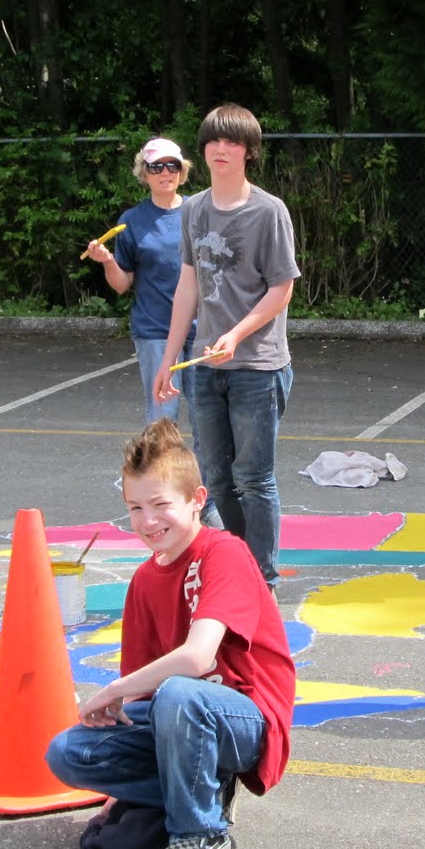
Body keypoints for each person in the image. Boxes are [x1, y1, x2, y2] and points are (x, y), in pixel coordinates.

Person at [45, 420, 296, 849]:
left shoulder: (224, 553)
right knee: (67, 752)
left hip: (244, 719)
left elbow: (199, 658)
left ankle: (200, 831)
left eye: (161, 505)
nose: (147, 521)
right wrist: (117, 776)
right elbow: (140, 696)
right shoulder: (144, 580)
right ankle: (193, 789)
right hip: (176, 715)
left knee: (180, 691)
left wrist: (114, 688)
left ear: (198, 500)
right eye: (135, 508)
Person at [152, 103, 300, 589]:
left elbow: (282, 289)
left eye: (232, 142)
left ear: (249, 152)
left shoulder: (268, 211)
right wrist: (171, 359)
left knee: (254, 478)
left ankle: (263, 580)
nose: (221, 148)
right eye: (213, 140)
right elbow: (188, 287)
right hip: (205, 366)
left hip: (258, 366)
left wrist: (236, 335)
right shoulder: (193, 209)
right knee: (215, 479)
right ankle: (237, 570)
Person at [85, 137, 202, 425]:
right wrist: (108, 261)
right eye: (157, 167)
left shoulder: (199, 212)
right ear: (144, 173)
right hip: (155, 333)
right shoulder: (132, 221)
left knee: (208, 419)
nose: (165, 172)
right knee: (162, 419)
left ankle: (206, 473)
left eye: (172, 165)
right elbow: (122, 284)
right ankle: (160, 472)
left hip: (203, 331)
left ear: (182, 171)